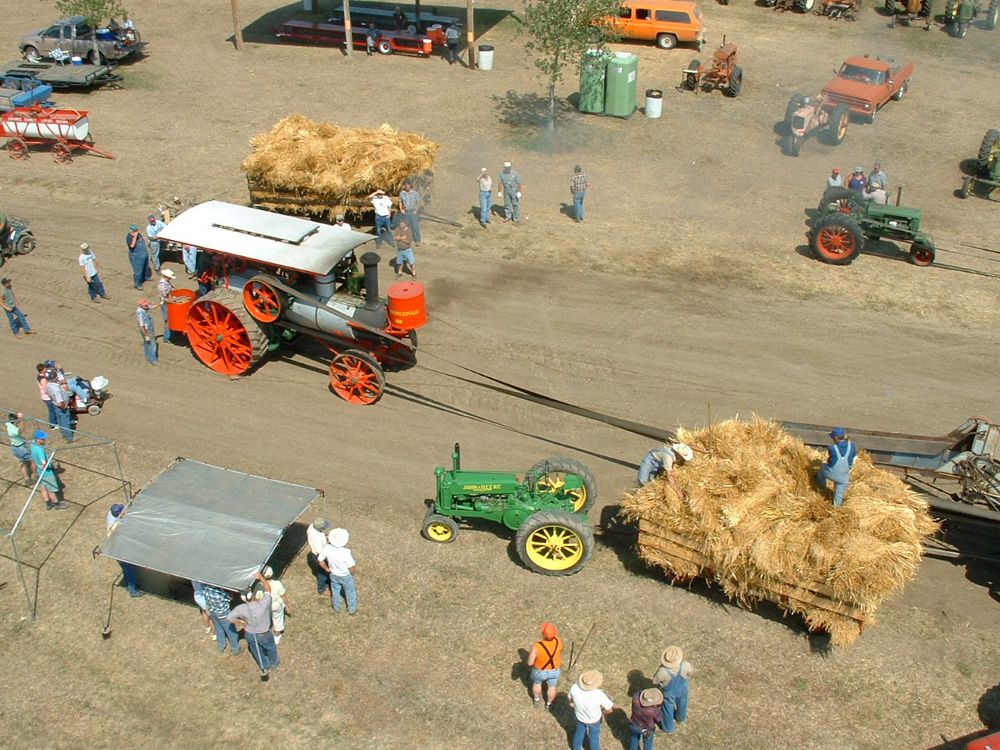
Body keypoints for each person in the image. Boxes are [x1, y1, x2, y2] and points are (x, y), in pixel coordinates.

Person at [227, 571, 280, 675]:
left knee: (256, 651)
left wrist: (242, 622)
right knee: (270, 648)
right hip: (264, 633)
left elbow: (229, 618)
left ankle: (264, 666)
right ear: (253, 595)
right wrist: (260, 577)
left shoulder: (240, 608)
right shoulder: (263, 604)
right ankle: (274, 663)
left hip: (250, 634)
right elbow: (268, 589)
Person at [568, 669, 614, 750]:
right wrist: (602, 712)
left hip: (580, 717)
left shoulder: (574, 687)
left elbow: (570, 699)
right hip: (594, 720)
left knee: (579, 732)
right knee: (594, 737)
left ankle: (576, 747)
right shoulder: (598, 694)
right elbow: (610, 709)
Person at [652, 645, 693, 734]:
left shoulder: (662, 671)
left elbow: (655, 681)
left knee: (667, 709)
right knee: (682, 703)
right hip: (683, 689)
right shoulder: (685, 665)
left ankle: (668, 728)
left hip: (669, 693)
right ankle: (680, 718)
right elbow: (690, 673)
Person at [318, 527, 358, 615]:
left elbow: (320, 559)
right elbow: (352, 567)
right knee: (350, 592)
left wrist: (326, 568)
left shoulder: (327, 548)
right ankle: (352, 609)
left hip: (333, 574)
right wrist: (353, 573)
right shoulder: (346, 552)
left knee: (335, 591)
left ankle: (336, 607)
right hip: (346, 576)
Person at [815, 426, 858, 508]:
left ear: (836, 438)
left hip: (831, 474)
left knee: (822, 467)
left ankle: (820, 486)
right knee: (839, 493)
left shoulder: (831, 448)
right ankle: (836, 508)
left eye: (832, 437)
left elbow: (830, 461)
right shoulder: (852, 446)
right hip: (843, 477)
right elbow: (854, 457)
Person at [106, 504, 143, 597]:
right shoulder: (115, 525)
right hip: (121, 551)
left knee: (126, 569)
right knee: (129, 570)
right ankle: (133, 590)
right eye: (122, 513)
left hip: (119, 549)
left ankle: (128, 585)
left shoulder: (111, 513)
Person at [526, 621, 563, 708]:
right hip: (554, 670)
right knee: (552, 687)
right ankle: (549, 704)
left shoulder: (537, 646)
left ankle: (536, 700)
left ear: (543, 634)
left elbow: (530, 663)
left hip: (540, 671)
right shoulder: (558, 641)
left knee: (537, 684)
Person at [31, 431, 67, 510]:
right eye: (43, 439)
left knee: (43, 488)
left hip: (39, 472)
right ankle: (56, 504)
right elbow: (44, 463)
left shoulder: (33, 445)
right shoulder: (40, 450)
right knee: (51, 489)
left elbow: (33, 461)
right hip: (47, 473)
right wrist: (48, 465)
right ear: (37, 439)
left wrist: (34, 472)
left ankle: (48, 503)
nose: (44, 440)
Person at [203, 583, 241, 655]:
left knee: (218, 629)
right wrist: (230, 592)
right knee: (230, 630)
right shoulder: (219, 592)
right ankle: (235, 648)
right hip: (223, 614)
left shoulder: (206, 589)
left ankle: (221, 645)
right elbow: (230, 598)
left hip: (213, 612)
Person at [262, 565, 291, 644]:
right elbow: (283, 595)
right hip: (276, 605)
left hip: (266, 606)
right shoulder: (277, 583)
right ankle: (277, 636)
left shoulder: (260, 585)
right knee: (277, 619)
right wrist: (287, 603)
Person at [6, 412, 35, 485]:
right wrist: (21, 419)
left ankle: (26, 479)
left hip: (14, 447)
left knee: (23, 463)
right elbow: (21, 430)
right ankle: (35, 475)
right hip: (21, 447)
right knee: (33, 460)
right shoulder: (12, 429)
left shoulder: (8, 424)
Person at [45, 368, 73, 441]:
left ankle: (63, 433)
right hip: (62, 406)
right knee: (65, 421)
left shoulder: (49, 384)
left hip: (55, 404)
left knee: (60, 420)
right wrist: (65, 406)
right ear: (55, 377)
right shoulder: (56, 390)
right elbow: (60, 402)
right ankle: (69, 438)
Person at [307, 517, 331, 595]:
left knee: (325, 571)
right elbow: (319, 551)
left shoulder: (311, 526)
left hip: (318, 552)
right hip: (318, 555)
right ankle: (322, 589)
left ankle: (327, 581)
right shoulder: (316, 537)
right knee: (322, 572)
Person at [126, 224, 152, 289]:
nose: (136, 232)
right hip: (136, 256)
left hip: (143, 254)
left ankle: (146, 277)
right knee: (138, 270)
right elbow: (132, 246)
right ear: (131, 231)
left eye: (136, 230)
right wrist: (135, 237)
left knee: (146, 267)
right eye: (134, 231)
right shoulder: (129, 237)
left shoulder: (139, 235)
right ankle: (137, 284)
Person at [398, 181, 422, 245]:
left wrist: (416, 210)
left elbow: (418, 202)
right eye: (406, 186)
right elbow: (400, 201)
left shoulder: (415, 193)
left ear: (410, 186)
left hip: (413, 212)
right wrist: (401, 210)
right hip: (406, 212)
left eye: (408, 186)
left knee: (415, 226)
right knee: (405, 227)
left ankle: (417, 240)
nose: (407, 187)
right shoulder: (402, 193)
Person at [136, 298, 157, 366]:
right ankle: (152, 360)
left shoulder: (145, 308)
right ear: (141, 306)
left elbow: (151, 306)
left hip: (148, 328)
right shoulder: (140, 313)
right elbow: (141, 326)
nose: (147, 305)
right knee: (152, 345)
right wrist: (146, 335)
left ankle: (147, 356)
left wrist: (160, 304)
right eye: (145, 305)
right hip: (147, 330)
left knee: (147, 343)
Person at [157, 269, 175, 343]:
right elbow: (165, 297)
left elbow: (173, 289)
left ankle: (171, 334)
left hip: (168, 301)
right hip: (165, 303)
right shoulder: (162, 285)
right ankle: (166, 337)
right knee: (168, 320)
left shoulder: (167, 283)